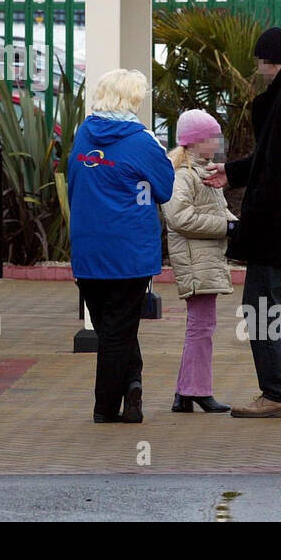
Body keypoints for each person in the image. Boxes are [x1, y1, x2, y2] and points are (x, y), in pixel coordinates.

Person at [205, 28, 281, 418]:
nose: (257, 69)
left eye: (259, 61)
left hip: (276, 229)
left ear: (267, 60)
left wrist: (251, 220)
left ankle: (276, 392)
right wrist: (233, 172)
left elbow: (278, 169)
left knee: (260, 307)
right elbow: (275, 158)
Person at [68, 68, 175, 424]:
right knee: (119, 330)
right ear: (134, 99)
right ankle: (105, 407)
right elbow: (165, 188)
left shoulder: (83, 134)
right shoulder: (143, 141)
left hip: (88, 249)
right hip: (130, 252)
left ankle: (132, 383)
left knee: (111, 328)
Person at [161, 109, 235, 414]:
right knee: (201, 327)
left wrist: (236, 224)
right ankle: (196, 390)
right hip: (196, 260)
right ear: (194, 142)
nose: (217, 142)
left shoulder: (201, 171)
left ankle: (186, 391)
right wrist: (227, 227)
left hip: (203, 259)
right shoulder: (183, 175)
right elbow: (179, 217)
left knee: (202, 325)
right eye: (211, 136)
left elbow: (219, 211)